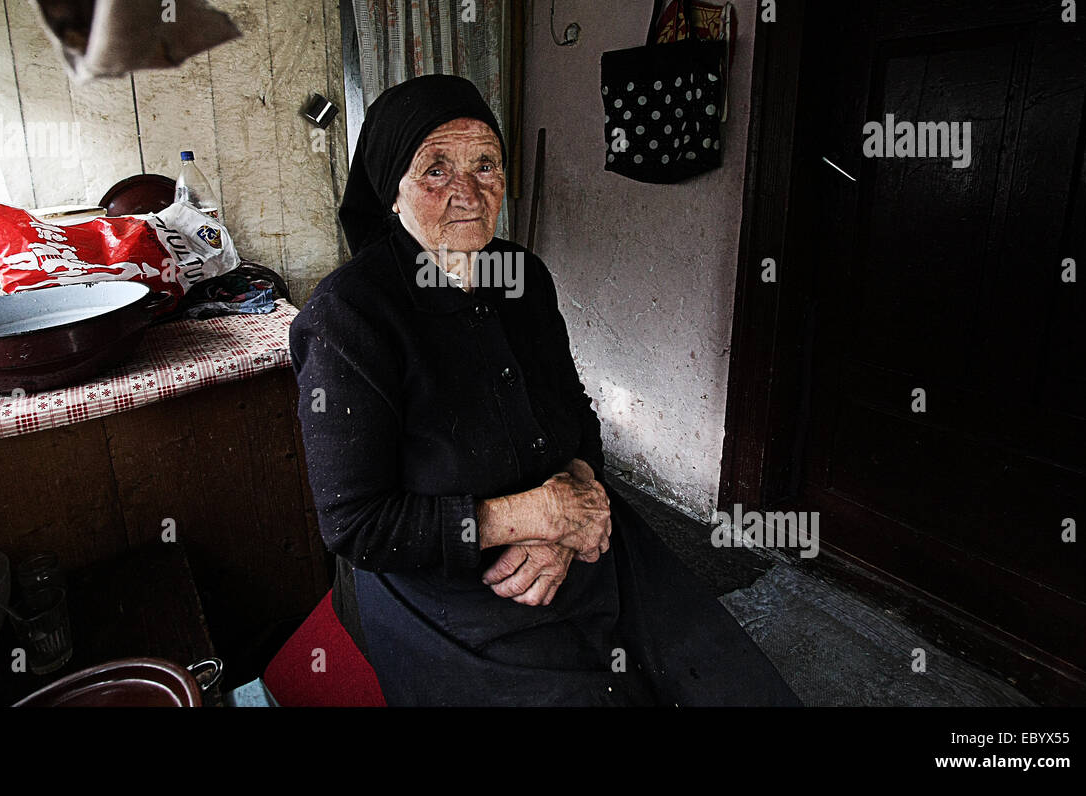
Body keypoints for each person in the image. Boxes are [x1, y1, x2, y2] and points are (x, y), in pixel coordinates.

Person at [288, 73, 800, 706]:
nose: (468, 193)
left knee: (725, 684)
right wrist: (533, 515)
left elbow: (578, 416)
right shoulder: (349, 316)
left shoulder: (521, 276)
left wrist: (568, 514)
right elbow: (357, 525)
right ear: (392, 191)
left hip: (575, 532)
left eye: (486, 165)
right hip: (450, 581)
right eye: (436, 171)